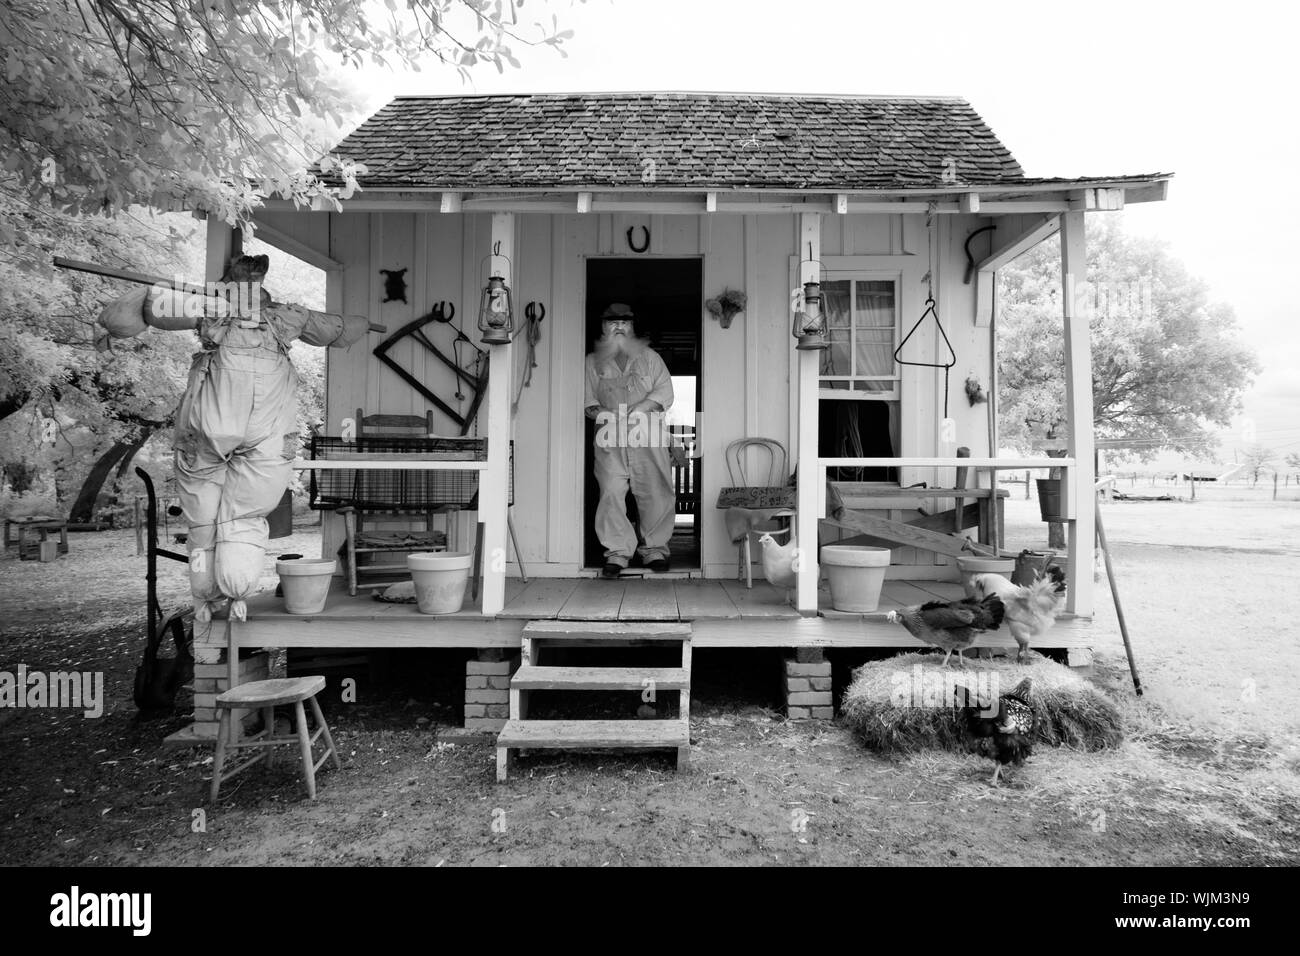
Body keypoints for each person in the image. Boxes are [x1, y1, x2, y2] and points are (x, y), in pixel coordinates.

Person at [584, 303, 676, 578]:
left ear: (633, 326)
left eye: (624, 321)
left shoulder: (650, 358)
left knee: (655, 490)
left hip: (647, 433)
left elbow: (665, 392)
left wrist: (643, 407)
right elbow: (587, 400)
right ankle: (617, 553)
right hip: (609, 436)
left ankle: (655, 550)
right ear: (603, 327)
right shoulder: (591, 362)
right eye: (612, 322)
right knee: (611, 493)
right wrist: (604, 415)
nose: (619, 326)